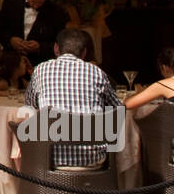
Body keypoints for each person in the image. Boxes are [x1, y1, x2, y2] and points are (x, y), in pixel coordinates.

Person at [23, 27, 121, 167]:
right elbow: (117, 110)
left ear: (56, 49)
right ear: (84, 53)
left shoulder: (40, 70)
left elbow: (30, 106)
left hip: (49, 159)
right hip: (92, 159)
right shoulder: (96, 72)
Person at [0, 0, 69, 68]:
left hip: (39, 64)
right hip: (11, 61)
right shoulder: (11, 2)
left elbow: (60, 41)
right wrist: (10, 40)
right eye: (33, 2)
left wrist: (40, 47)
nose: (36, 6)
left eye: (40, 3)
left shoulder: (56, 11)